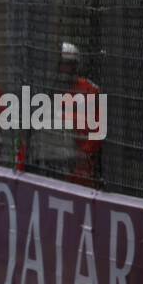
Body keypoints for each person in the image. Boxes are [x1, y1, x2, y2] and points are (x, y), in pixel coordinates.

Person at [60, 42, 102, 186]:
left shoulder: (90, 90)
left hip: (82, 164)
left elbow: (98, 128)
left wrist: (84, 154)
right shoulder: (51, 91)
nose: (65, 69)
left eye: (69, 64)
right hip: (57, 160)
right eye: (62, 64)